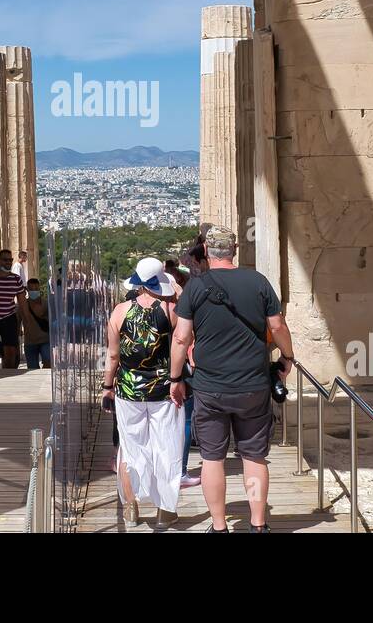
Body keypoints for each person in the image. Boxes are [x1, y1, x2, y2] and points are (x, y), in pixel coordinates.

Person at [169, 225, 295, 533]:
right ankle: (258, 523)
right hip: (253, 383)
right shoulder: (258, 282)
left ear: (207, 252)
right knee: (254, 456)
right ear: (235, 250)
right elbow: (277, 326)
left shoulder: (196, 288)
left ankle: (219, 525)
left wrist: (175, 377)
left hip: (211, 386)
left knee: (212, 459)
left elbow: (181, 338)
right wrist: (287, 358)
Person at [103, 257, 184, 530]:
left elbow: (113, 356)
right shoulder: (171, 308)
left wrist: (106, 388)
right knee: (166, 447)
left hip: (127, 389)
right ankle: (164, 511)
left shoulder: (119, 311)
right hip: (164, 389)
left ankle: (130, 509)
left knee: (130, 448)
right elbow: (183, 342)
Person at [166, 258, 200, 490]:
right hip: (179, 373)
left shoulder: (130, 310)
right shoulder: (180, 312)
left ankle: (159, 471)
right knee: (185, 420)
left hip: (149, 377)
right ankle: (180, 470)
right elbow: (185, 339)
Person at [21, 278, 52, 369]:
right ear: (27, 290)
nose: (34, 291)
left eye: (36, 289)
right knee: (32, 369)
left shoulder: (46, 304)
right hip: (30, 342)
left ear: (39, 289)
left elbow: (52, 321)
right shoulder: (23, 305)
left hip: (45, 340)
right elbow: (17, 321)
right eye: (31, 289)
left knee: (48, 363)